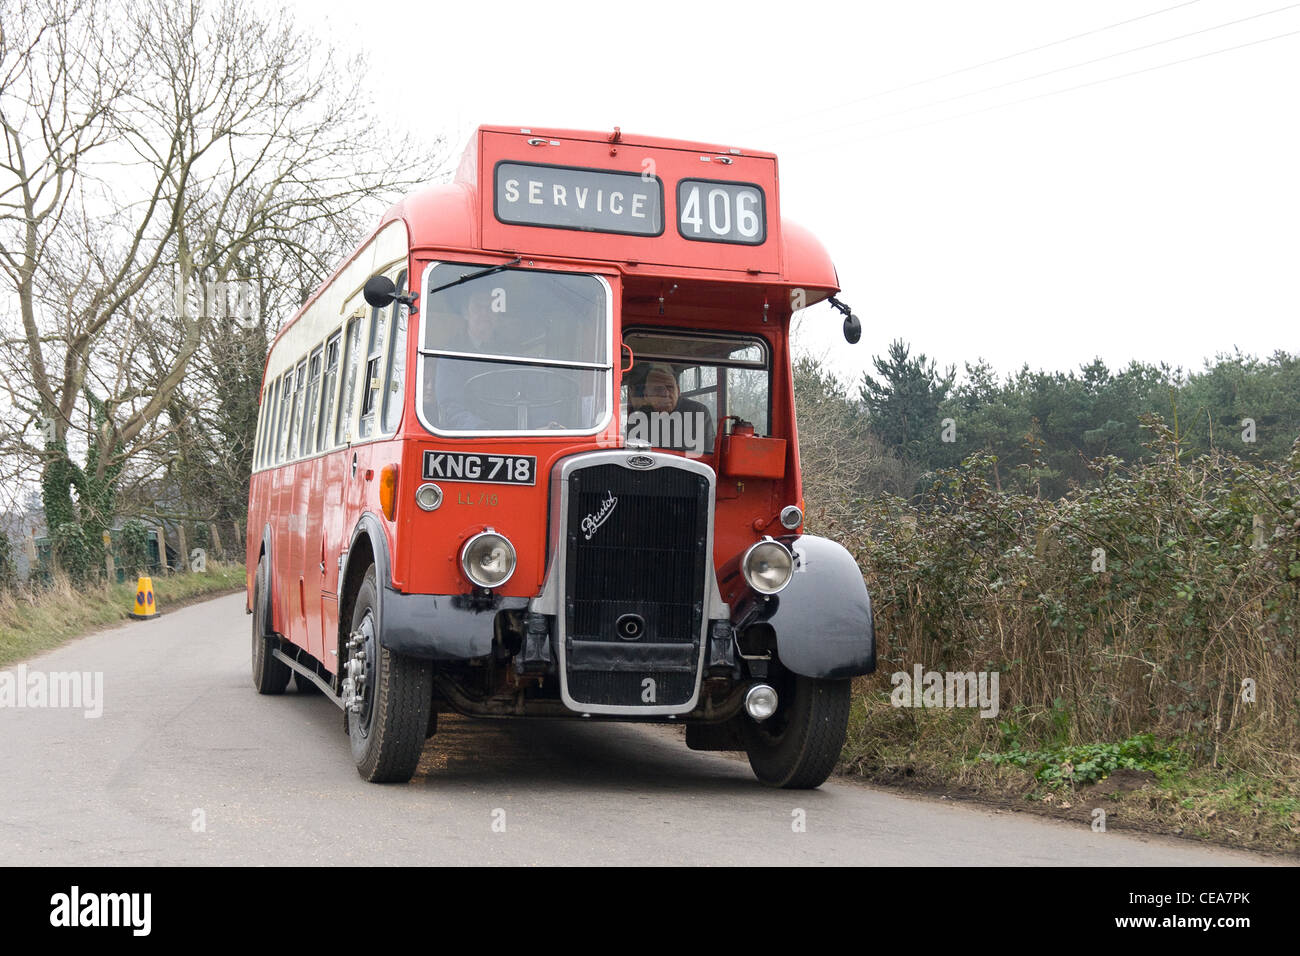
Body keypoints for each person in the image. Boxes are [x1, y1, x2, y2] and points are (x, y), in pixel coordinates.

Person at [625, 363, 715, 455]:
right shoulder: (637, 418)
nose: (665, 394)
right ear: (646, 394)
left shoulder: (697, 412)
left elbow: (706, 455)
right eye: (658, 389)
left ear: (678, 391)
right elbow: (631, 455)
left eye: (670, 387)